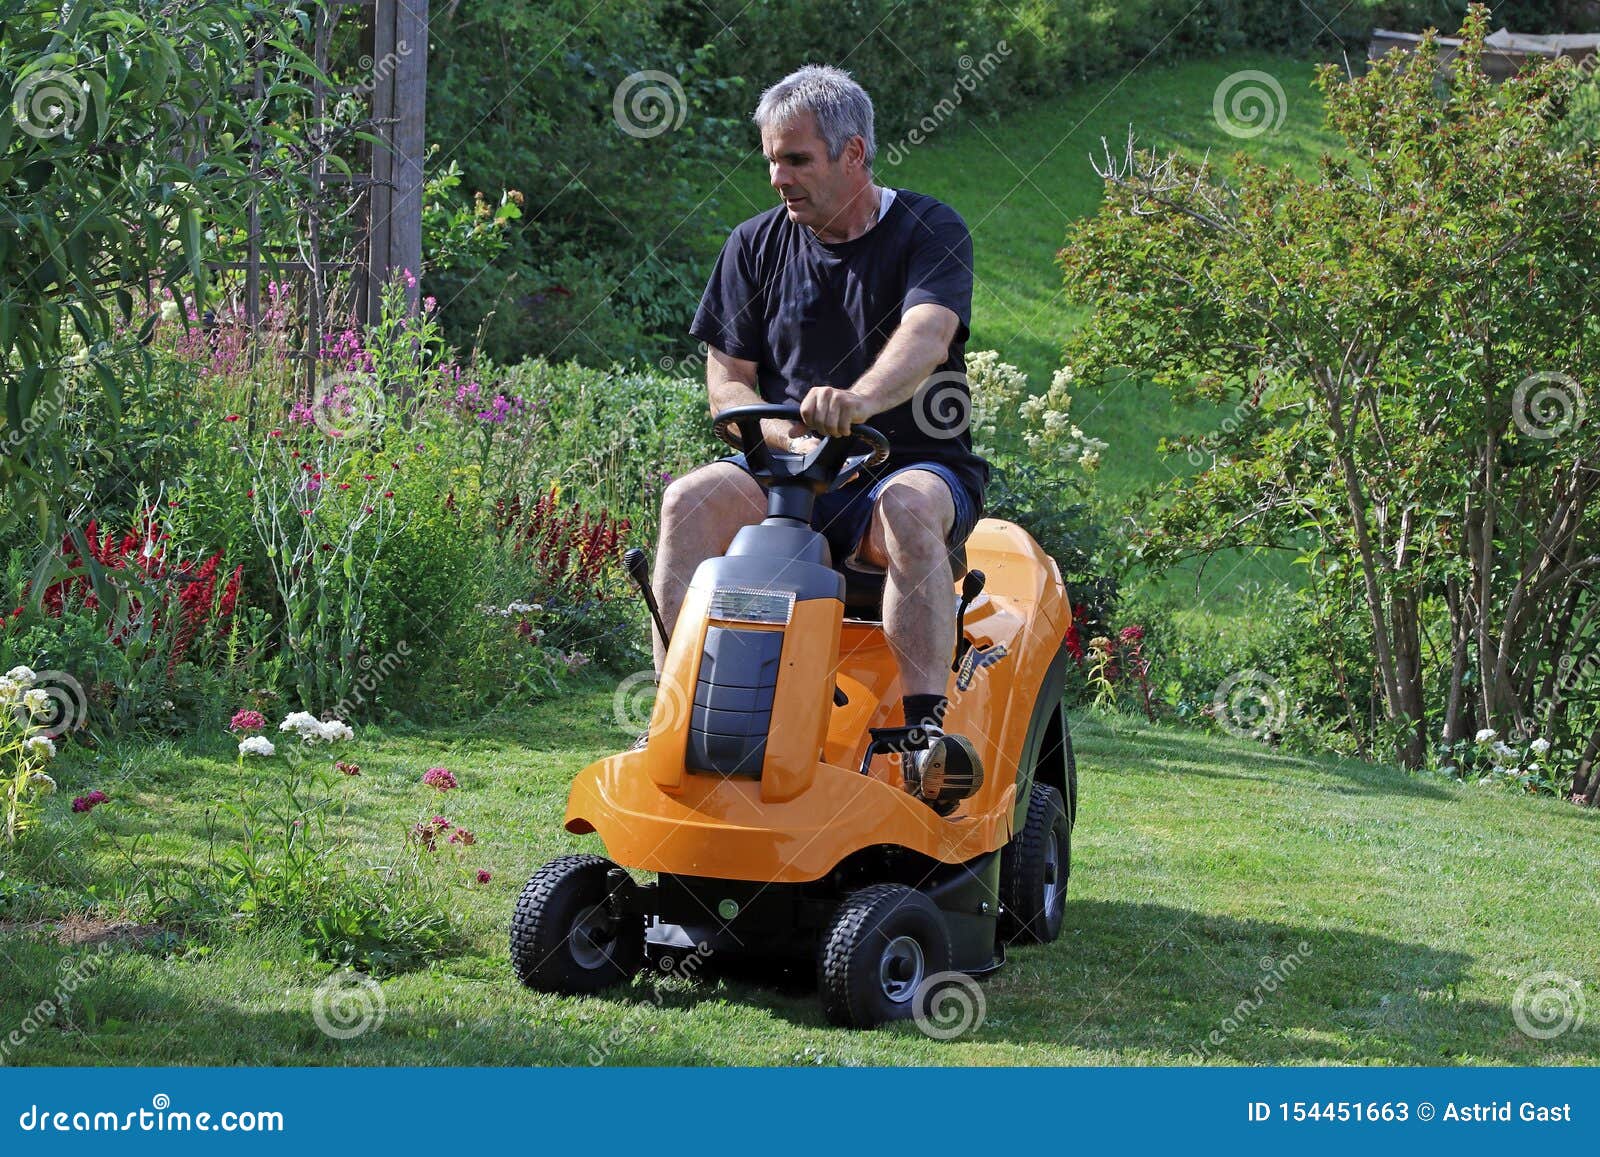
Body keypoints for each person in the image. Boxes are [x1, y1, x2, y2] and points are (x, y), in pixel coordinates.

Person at [653, 64, 986, 745]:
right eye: (773, 160)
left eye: (797, 159)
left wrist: (858, 402)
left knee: (909, 506)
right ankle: (670, 720)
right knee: (686, 500)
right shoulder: (753, 244)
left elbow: (928, 335)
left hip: (908, 467)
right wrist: (781, 430)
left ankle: (925, 735)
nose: (779, 178)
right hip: (784, 478)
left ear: (854, 153)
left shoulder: (930, 229)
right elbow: (727, 378)